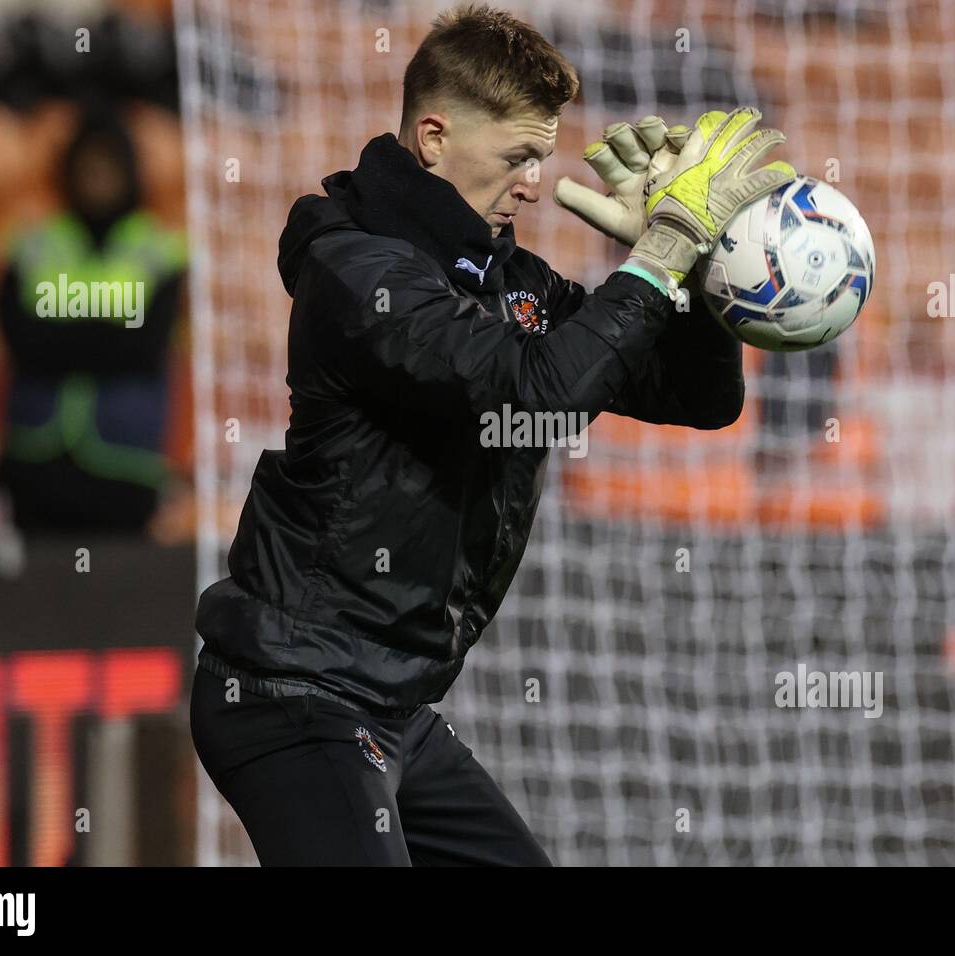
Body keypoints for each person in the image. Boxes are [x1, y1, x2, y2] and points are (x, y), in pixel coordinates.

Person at [189, 3, 794, 865]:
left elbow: (698, 398)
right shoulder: (359, 273)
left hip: (390, 705)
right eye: (519, 156)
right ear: (433, 139)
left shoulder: (505, 279)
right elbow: (537, 398)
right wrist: (656, 257)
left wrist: (693, 279)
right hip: (294, 691)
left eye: (543, 157)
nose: (535, 182)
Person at [0, 105, 186, 533]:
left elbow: (145, 348)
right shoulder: (31, 243)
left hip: (125, 465)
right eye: (87, 166)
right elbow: (19, 340)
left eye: (108, 166)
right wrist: (107, 332)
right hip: (36, 462)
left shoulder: (161, 250)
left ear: (130, 172)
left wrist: (60, 333)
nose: (96, 177)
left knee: (117, 594)